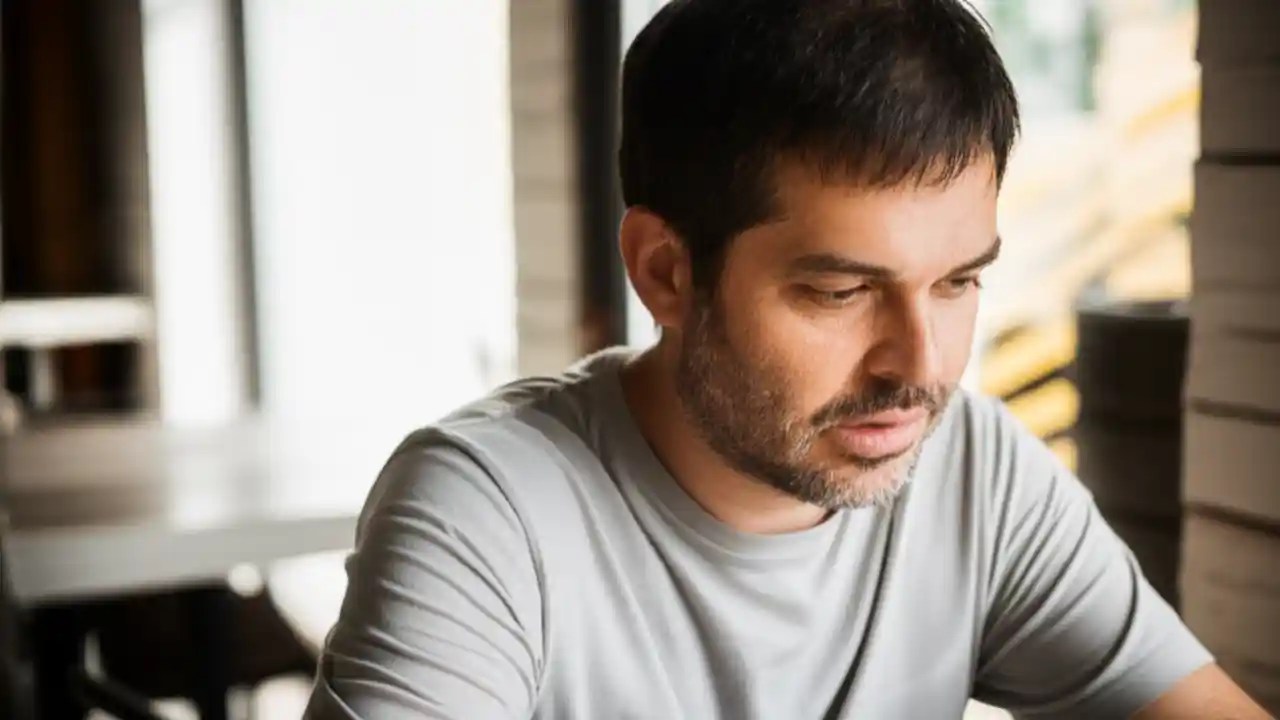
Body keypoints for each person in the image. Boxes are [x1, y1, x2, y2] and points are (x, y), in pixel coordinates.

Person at [306, 0, 1271, 717]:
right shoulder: (486, 514)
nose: (919, 366)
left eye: (956, 283)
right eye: (841, 293)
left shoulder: (973, 470)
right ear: (667, 272)